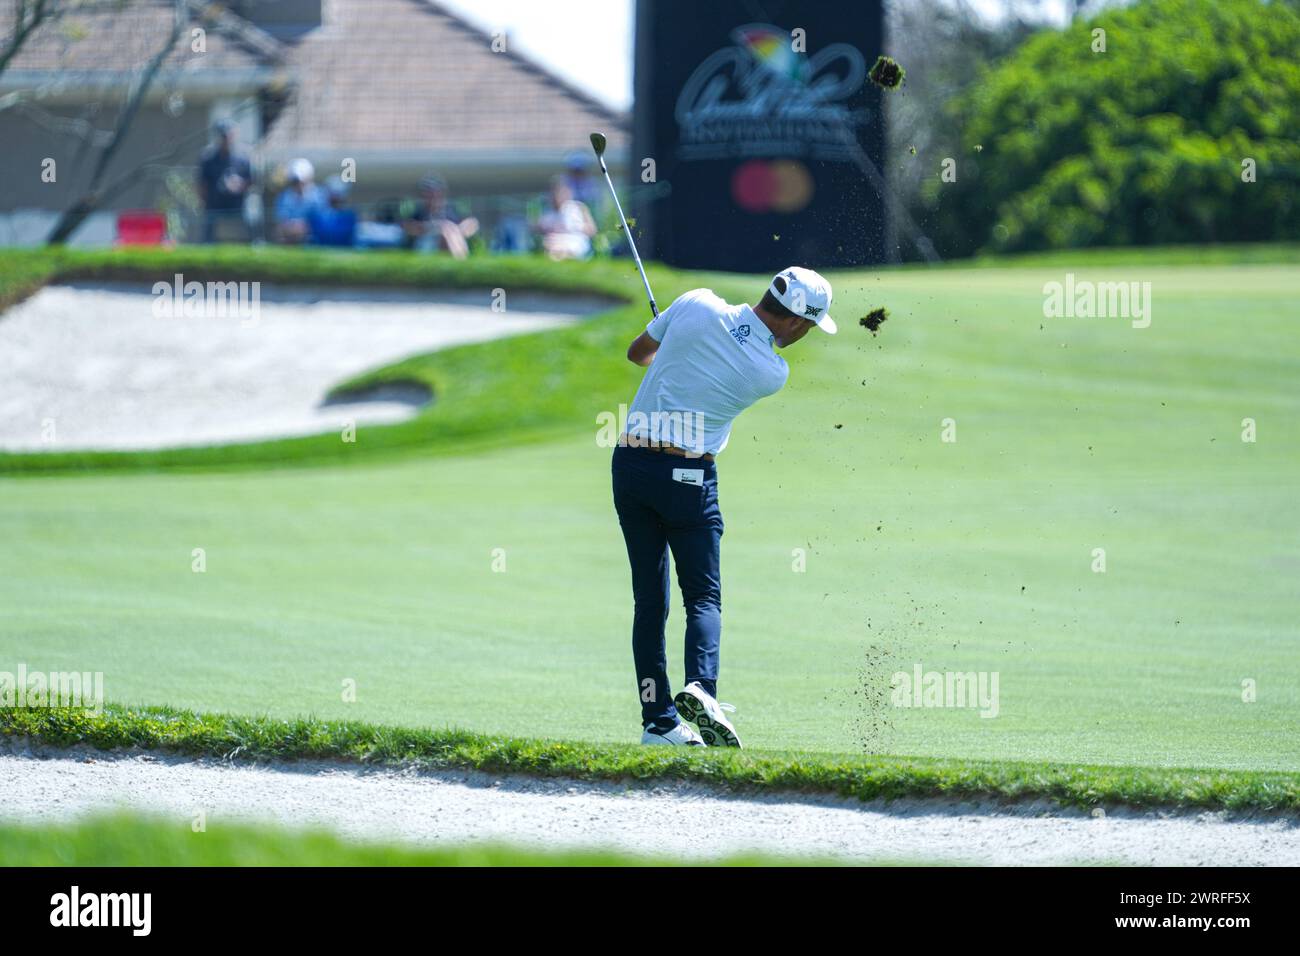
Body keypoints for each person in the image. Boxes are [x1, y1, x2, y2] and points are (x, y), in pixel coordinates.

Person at [611, 267, 838, 747]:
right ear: (797, 323)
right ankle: (702, 688)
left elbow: (638, 354)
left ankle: (659, 723)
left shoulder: (696, 302)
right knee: (703, 597)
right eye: (811, 328)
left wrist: (675, 349)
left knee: (650, 601)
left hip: (629, 465)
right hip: (688, 478)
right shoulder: (771, 372)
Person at [196, 119, 251, 243]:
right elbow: (202, 185)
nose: (226, 139)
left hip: (236, 206)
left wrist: (238, 185)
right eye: (223, 136)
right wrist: (204, 202)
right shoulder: (208, 159)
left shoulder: (242, 159)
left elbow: (250, 182)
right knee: (208, 239)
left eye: (228, 135)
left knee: (246, 233)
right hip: (214, 206)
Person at [402, 174, 478, 258]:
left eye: (436, 192)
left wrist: (457, 229)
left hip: (452, 241)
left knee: (450, 230)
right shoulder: (419, 212)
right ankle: (462, 262)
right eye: (429, 193)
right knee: (447, 229)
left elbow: (472, 223)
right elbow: (409, 227)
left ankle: (461, 261)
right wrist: (436, 227)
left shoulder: (452, 210)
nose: (433, 196)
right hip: (426, 247)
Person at [534, 176, 596, 260]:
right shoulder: (548, 212)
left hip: (576, 240)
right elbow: (538, 228)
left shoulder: (578, 207)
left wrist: (578, 226)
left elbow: (592, 230)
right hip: (555, 241)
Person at [274, 158, 325, 244]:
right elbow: (282, 219)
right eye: (295, 181)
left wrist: (303, 226)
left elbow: (320, 219)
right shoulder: (284, 197)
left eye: (300, 181)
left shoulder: (319, 196)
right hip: (289, 234)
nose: (298, 184)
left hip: (313, 234)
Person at [308, 177, 357, 247]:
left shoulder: (349, 216)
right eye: (335, 194)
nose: (337, 198)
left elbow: (344, 235)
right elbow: (320, 234)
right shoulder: (316, 215)